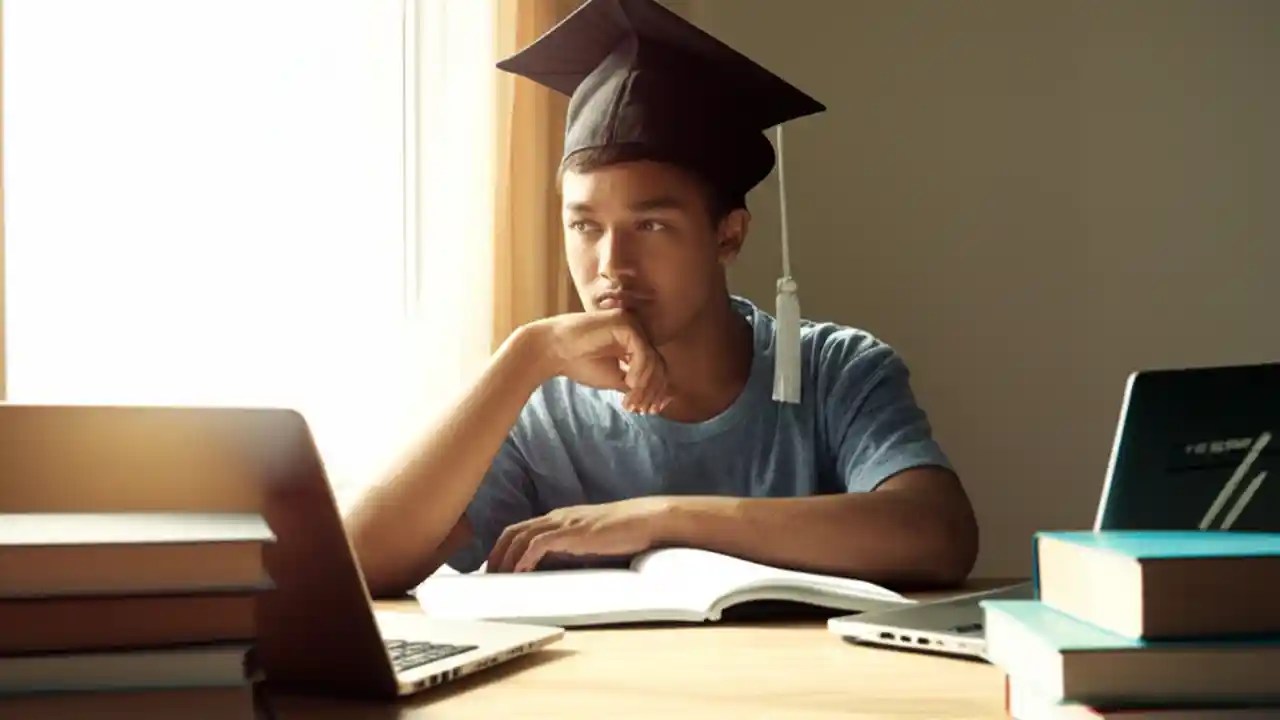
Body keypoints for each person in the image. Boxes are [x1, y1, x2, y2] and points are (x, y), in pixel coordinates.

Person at [345, 0, 978, 596]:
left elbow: (938, 536)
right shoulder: (539, 406)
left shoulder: (835, 371)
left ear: (727, 235)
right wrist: (525, 352)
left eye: (651, 226)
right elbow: (361, 565)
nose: (611, 266)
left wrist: (662, 519)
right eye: (585, 226)